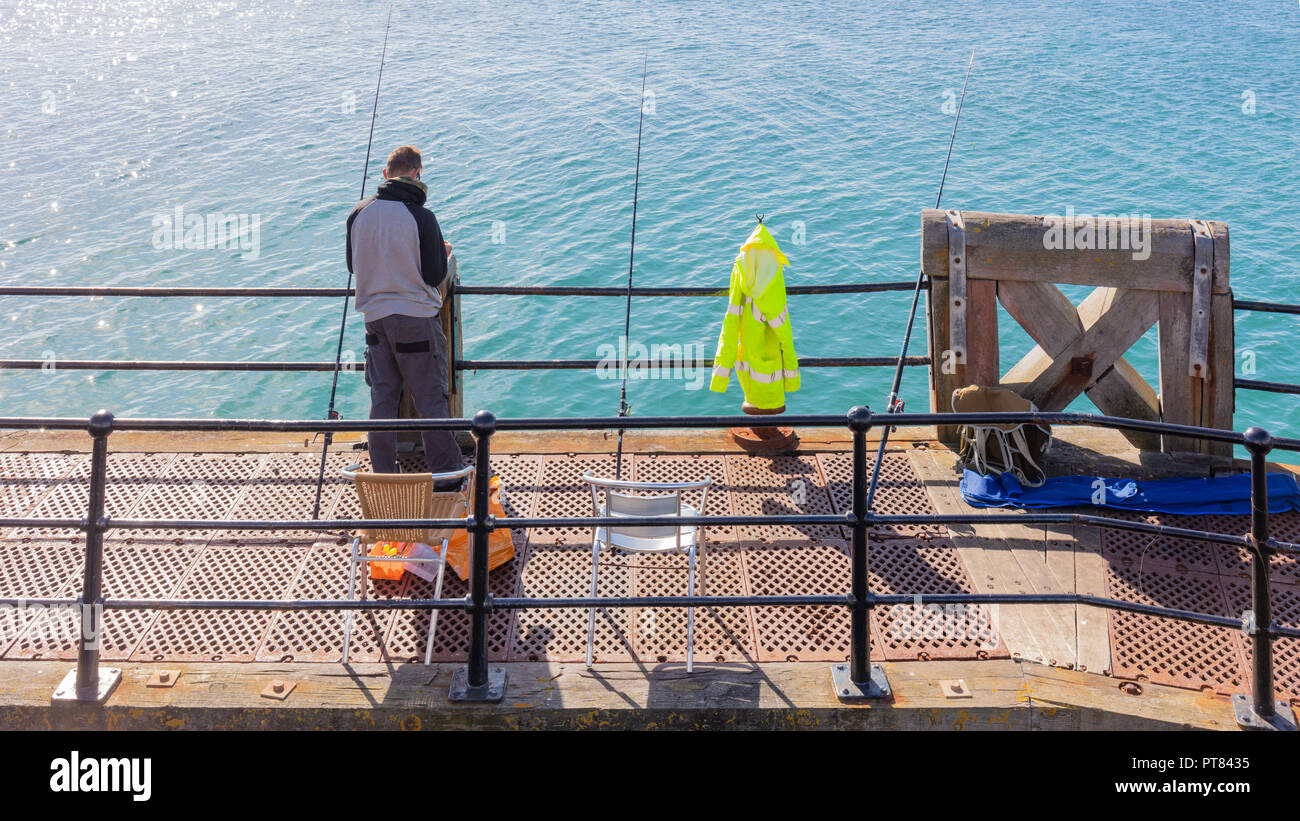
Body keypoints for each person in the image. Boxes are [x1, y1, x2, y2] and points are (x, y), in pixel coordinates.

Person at [346, 144, 463, 485]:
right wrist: (444, 253)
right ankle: (447, 476)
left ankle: (383, 475)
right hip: (414, 323)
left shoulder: (358, 213)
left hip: (375, 322)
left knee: (383, 400)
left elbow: (353, 265)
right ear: (416, 174)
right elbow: (432, 274)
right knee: (430, 399)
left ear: (385, 175)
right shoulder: (421, 217)